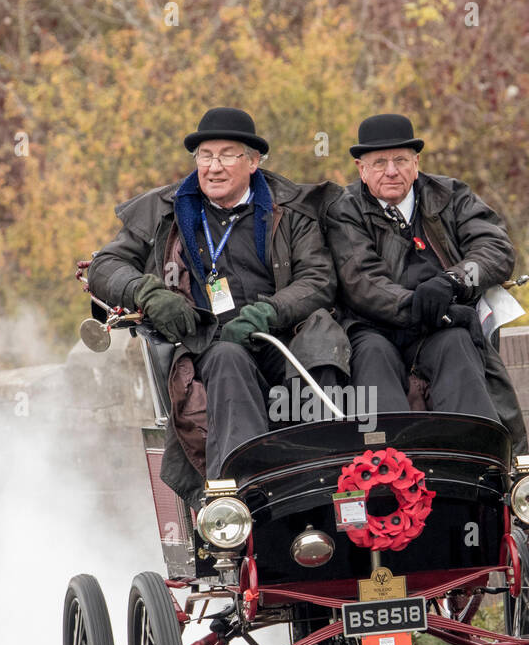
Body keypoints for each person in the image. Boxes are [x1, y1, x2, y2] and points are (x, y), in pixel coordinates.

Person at [87, 107, 346, 504]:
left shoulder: (292, 207)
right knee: (227, 357)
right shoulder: (163, 210)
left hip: (282, 339)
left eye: (227, 155)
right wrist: (147, 293)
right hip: (207, 343)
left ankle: (333, 485)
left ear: (254, 162)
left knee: (323, 354)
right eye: (205, 156)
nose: (214, 167)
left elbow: (319, 279)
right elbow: (104, 267)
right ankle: (240, 499)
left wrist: (270, 311)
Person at [324, 113, 528, 454]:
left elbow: (495, 249)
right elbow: (362, 281)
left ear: (416, 163)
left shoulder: (450, 194)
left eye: (401, 160)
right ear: (362, 169)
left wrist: (453, 282)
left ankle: (480, 466)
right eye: (379, 163)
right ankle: (388, 469)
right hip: (375, 327)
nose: (392, 171)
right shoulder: (343, 209)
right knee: (371, 357)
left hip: (443, 324)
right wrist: (426, 308)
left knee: (459, 345)